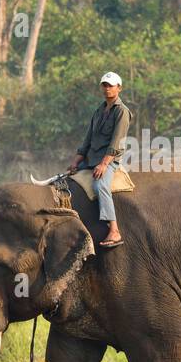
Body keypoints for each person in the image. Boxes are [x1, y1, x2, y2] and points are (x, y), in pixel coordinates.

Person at [68, 71, 132, 248]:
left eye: (110, 85)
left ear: (119, 88)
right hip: (91, 158)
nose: (107, 89)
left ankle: (114, 230)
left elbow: (116, 141)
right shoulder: (98, 111)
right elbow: (88, 139)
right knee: (66, 180)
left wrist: (104, 164)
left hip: (109, 160)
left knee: (99, 185)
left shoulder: (122, 112)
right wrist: (76, 161)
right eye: (104, 85)